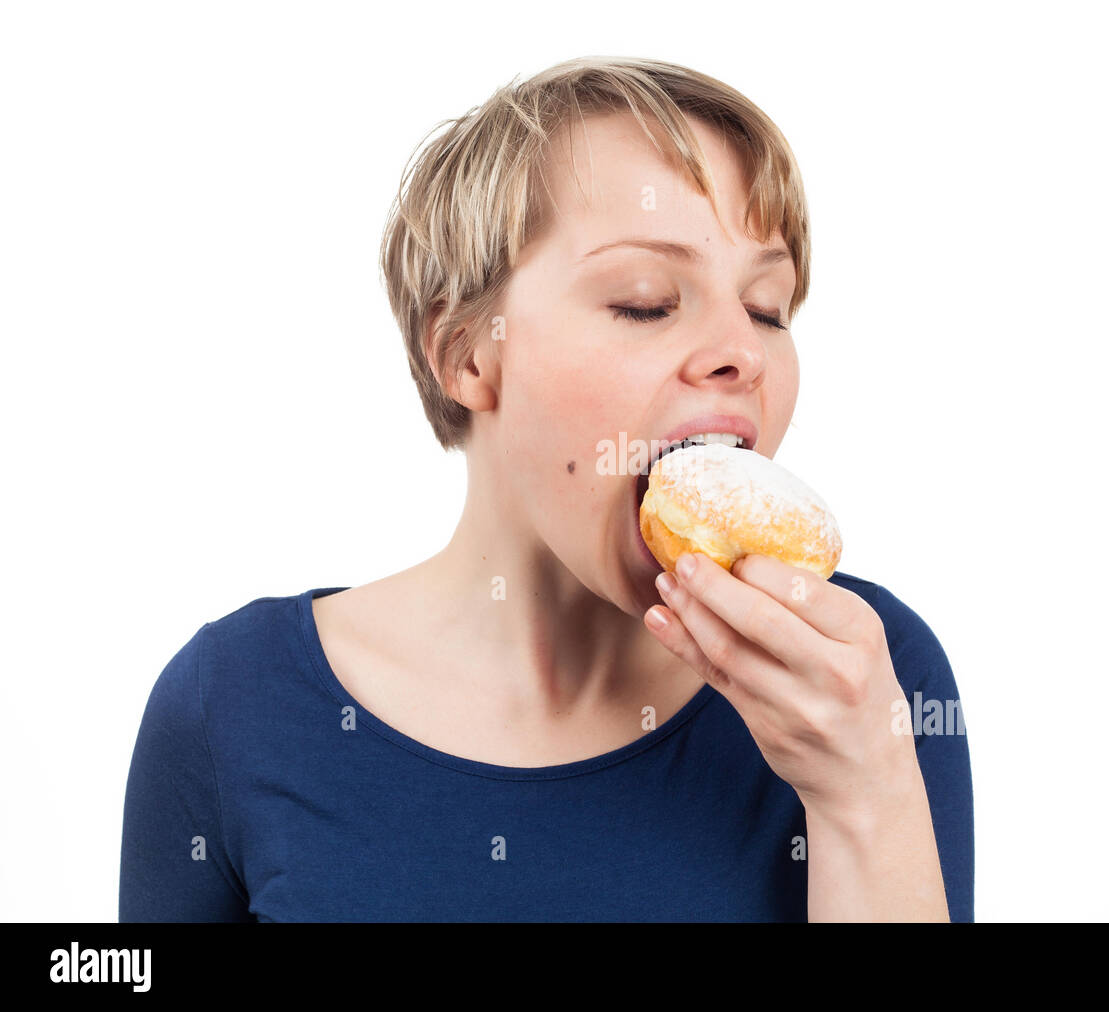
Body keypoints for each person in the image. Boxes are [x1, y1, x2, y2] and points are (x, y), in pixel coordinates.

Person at [119, 56, 974, 922]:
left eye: (767, 307)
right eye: (646, 300)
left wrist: (866, 794)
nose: (742, 353)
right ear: (467, 355)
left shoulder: (865, 678)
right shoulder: (233, 704)